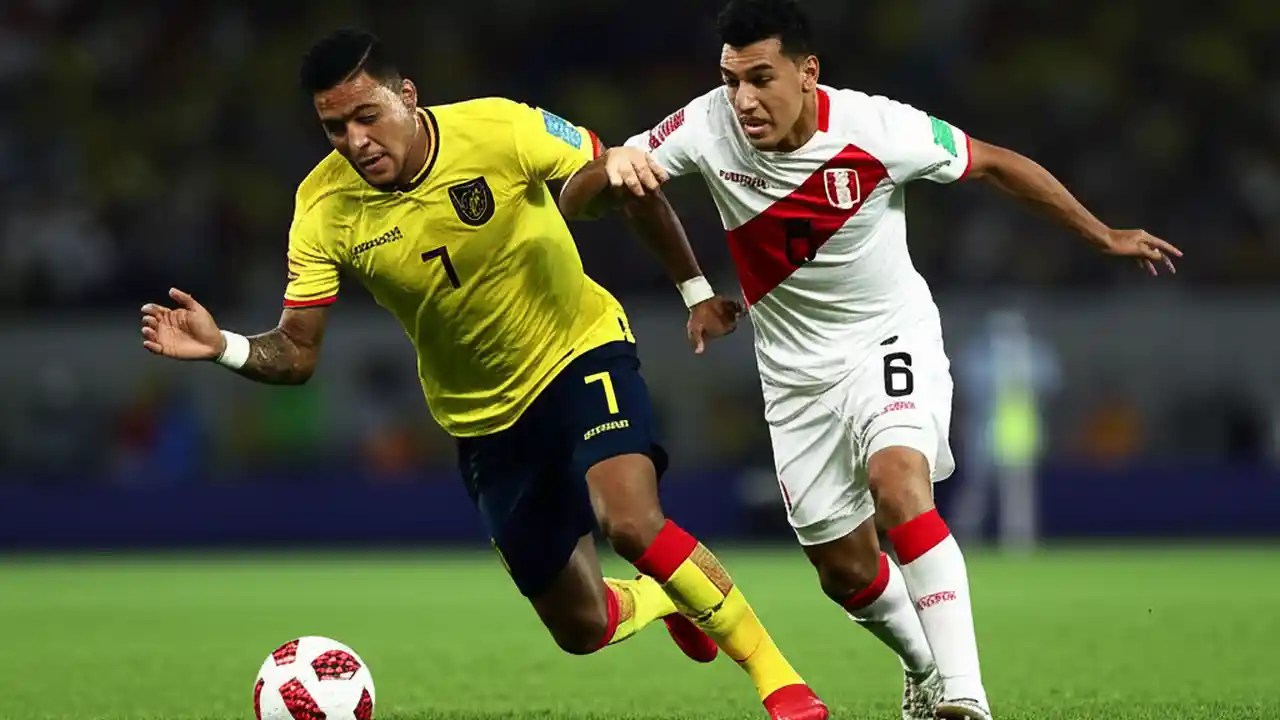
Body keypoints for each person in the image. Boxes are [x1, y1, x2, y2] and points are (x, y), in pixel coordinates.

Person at [139, 28, 827, 720]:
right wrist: (223, 345)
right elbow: (297, 351)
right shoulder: (323, 208)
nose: (355, 141)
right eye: (334, 128)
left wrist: (694, 290)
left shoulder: (500, 128)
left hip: (579, 349)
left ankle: (780, 681)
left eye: (367, 116)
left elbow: (624, 177)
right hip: (484, 418)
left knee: (632, 522)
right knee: (582, 629)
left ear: (407, 97)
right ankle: (659, 598)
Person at [559, 2, 1182, 718]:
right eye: (731, 81)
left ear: (807, 71)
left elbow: (998, 166)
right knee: (845, 572)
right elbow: (586, 201)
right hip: (794, 377)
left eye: (761, 78)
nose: (744, 100)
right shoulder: (704, 124)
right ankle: (922, 666)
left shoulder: (878, 128)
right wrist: (617, 174)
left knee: (898, 480)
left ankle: (967, 696)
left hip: (888, 338)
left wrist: (1103, 235)